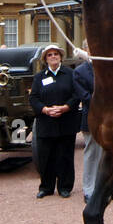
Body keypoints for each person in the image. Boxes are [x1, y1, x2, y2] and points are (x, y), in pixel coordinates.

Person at [72, 41, 113, 206]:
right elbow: (84, 96)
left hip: (111, 118)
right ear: (85, 50)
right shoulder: (79, 72)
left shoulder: (108, 69)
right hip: (92, 117)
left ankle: (109, 188)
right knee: (92, 154)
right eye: (89, 48)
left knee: (112, 154)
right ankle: (89, 189)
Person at [30, 45, 80, 198]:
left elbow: (76, 94)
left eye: (56, 54)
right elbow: (33, 98)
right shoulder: (39, 77)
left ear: (60, 57)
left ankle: (65, 187)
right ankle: (46, 187)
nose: (53, 57)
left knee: (65, 156)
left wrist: (65, 107)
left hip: (66, 121)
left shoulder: (70, 74)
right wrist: (45, 109)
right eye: (50, 55)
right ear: (45, 59)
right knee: (46, 157)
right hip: (46, 122)